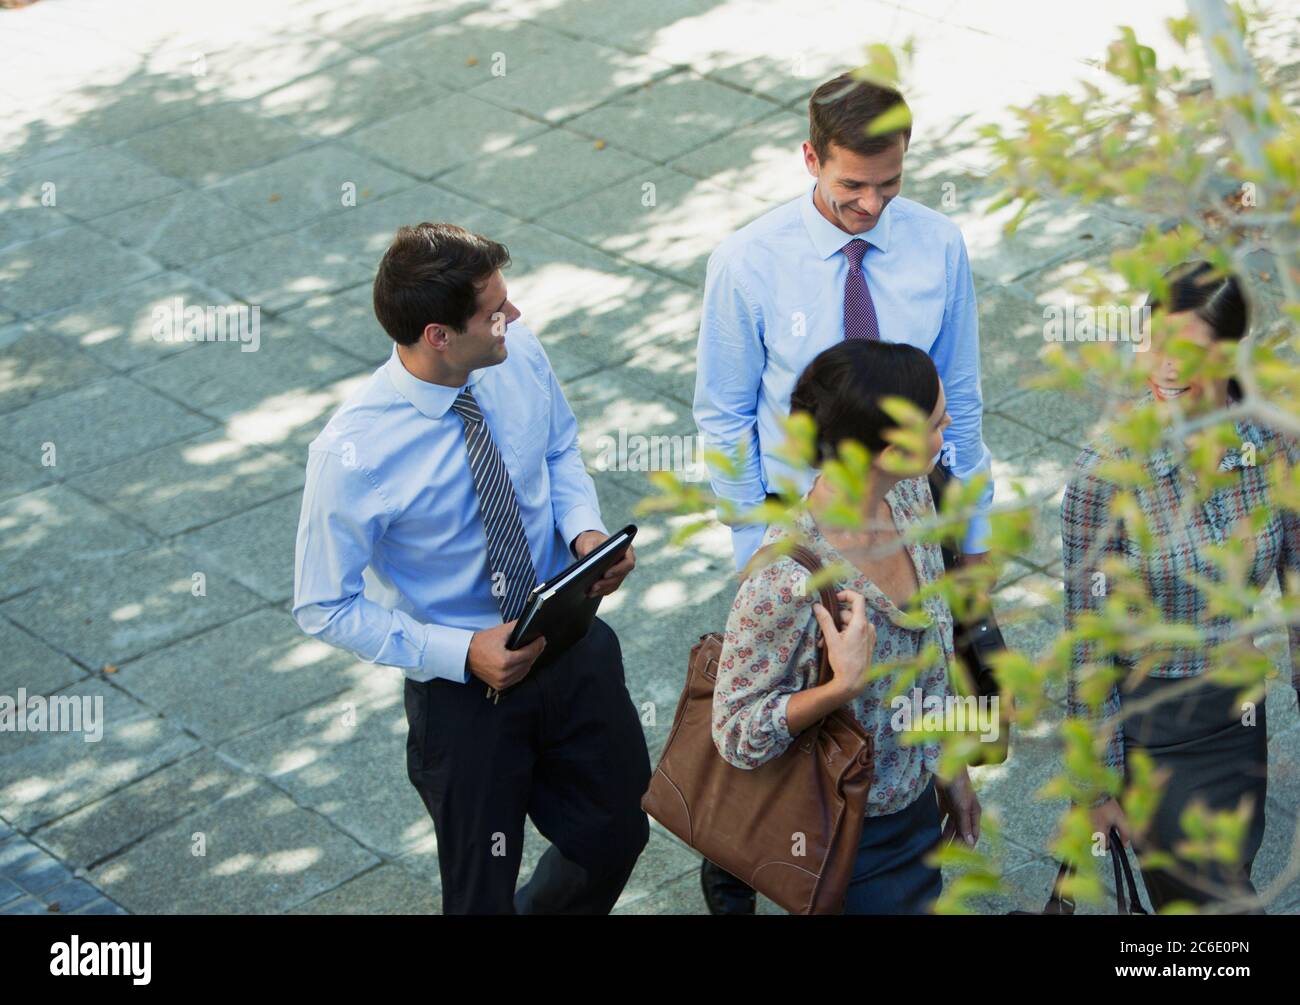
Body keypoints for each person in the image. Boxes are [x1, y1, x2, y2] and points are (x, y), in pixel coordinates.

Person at [692, 70, 994, 914]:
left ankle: (883, 842)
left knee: (900, 701)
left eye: (889, 184)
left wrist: (969, 528)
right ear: (810, 159)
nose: (870, 204)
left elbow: (960, 401)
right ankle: (757, 862)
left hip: (906, 514)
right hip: (803, 547)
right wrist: (757, 545)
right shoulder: (748, 262)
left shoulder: (937, 246)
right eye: (851, 185)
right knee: (795, 737)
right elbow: (721, 418)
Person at [291, 222, 650, 914]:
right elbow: (322, 605)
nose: (512, 316)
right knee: (480, 892)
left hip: (571, 645)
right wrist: (461, 652)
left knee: (617, 830)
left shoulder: (515, 354)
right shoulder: (351, 454)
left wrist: (585, 533)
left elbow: (558, 446)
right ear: (438, 336)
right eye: (494, 311)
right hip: (467, 700)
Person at [710, 340, 981, 915]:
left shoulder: (911, 498)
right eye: (934, 422)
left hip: (913, 807)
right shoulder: (785, 579)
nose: (949, 423)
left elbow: (931, 651)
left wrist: (950, 768)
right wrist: (839, 688)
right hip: (843, 836)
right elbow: (734, 732)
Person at [1062, 261, 1300, 912]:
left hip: (1239, 720)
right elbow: (1086, 638)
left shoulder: (1277, 443)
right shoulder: (1105, 471)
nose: (1163, 364)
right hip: (1152, 732)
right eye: (1152, 339)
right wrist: (1096, 786)